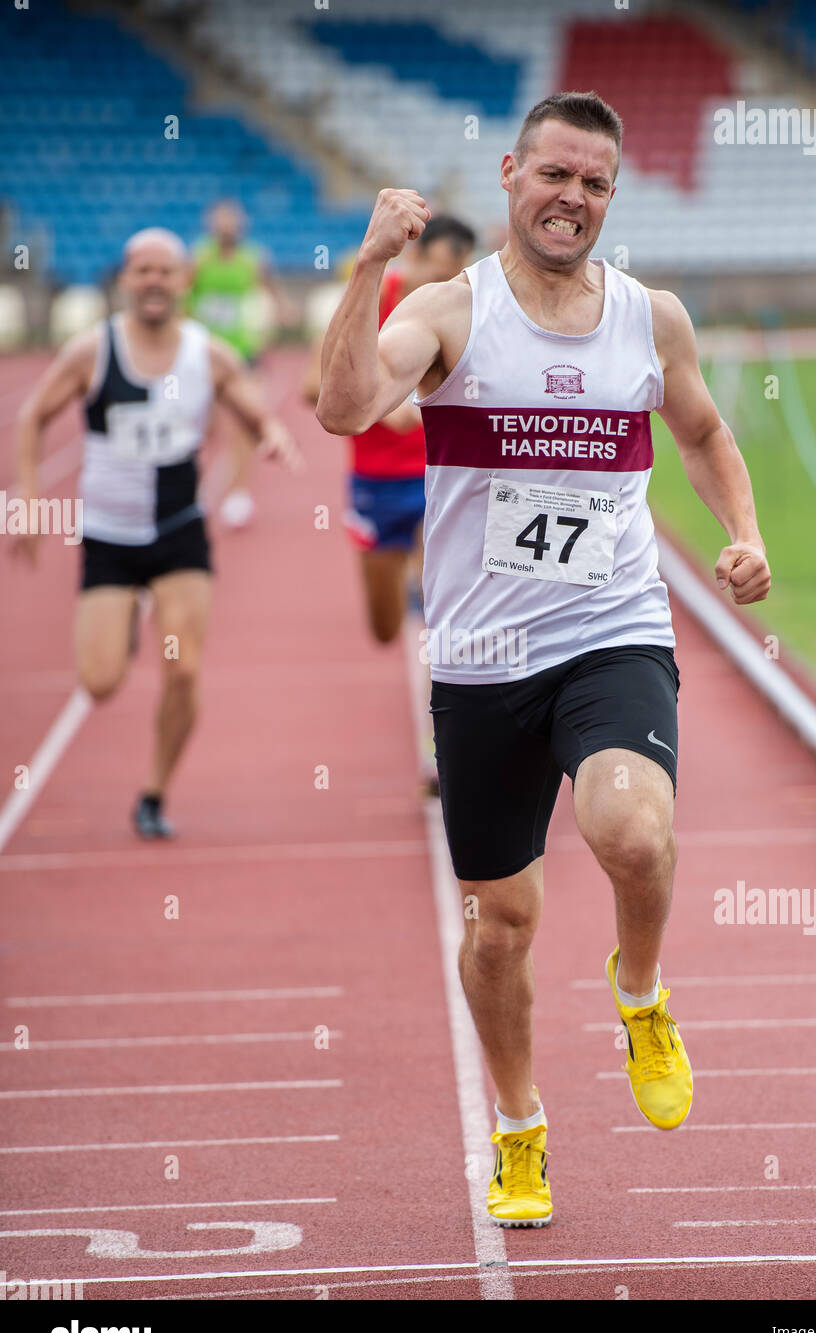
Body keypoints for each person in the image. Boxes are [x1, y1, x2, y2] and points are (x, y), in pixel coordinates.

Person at [316, 91, 771, 1227]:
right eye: (555, 175)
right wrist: (365, 265)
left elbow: (704, 432)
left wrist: (742, 531)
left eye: (595, 183)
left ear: (611, 197)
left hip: (608, 627)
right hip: (479, 656)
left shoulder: (647, 319)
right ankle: (520, 1129)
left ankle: (640, 993)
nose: (572, 198)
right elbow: (343, 406)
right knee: (499, 925)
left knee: (630, 826)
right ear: (513, 174)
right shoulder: (446, 310)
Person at [12, 227, 299, 838]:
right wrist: (29, 501)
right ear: (124, 280)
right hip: (109, 539)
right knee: (100, 680)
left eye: (164, 271)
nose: (153, 281)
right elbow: (32, 416)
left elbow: (249, 403)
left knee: (184, 669)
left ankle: (154, 792)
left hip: (177, 535)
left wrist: (271, 433)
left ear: (184, 280)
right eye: (141, 270)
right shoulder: (93, 351)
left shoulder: (206, 352)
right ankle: (122, 633)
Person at [304, 214, 475, 794]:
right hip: (377, 481)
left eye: (460, 274)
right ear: (416, 256)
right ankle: (404, 586)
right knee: (383, 628)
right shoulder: (376, 301)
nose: (450, 284)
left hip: (438, 477)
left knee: (442, 615)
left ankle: (441, 751)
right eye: (441, 270)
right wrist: (383, 400)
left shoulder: (463, 307)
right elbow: (317, 386)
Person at [188, 200, 296, 528]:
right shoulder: (198, 257)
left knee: (245, 425)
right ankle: (192, 490)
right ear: (211, 225)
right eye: (221, 222)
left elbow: (270, 287)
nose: (227, 227)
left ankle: (238, 493)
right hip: (202, 353)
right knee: (205, 428)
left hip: (242, 353)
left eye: (232, 222)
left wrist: (282, 309)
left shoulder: (253, 257)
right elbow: (182, 294)